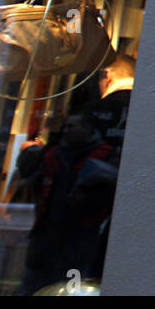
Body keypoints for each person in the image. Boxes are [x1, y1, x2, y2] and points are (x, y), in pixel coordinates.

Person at [17, 110, 117, 295]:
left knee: (71, 284)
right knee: (35, 282)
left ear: (87, 128)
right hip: (47, 232)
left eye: (72, 126)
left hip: (79, 234)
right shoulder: (53, 153)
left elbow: (107, 196)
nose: (66, 131)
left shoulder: (102, 156)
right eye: (66, 126)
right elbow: (33, 179)